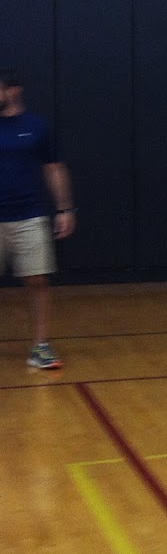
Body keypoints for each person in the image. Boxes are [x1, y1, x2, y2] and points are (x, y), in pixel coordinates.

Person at [0, 68, 76, 370]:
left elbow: (54, 167)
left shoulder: (36, 127)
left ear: (13, 91)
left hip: (29, 216)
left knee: (38, 280)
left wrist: (65, 208)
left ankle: (40, 347)